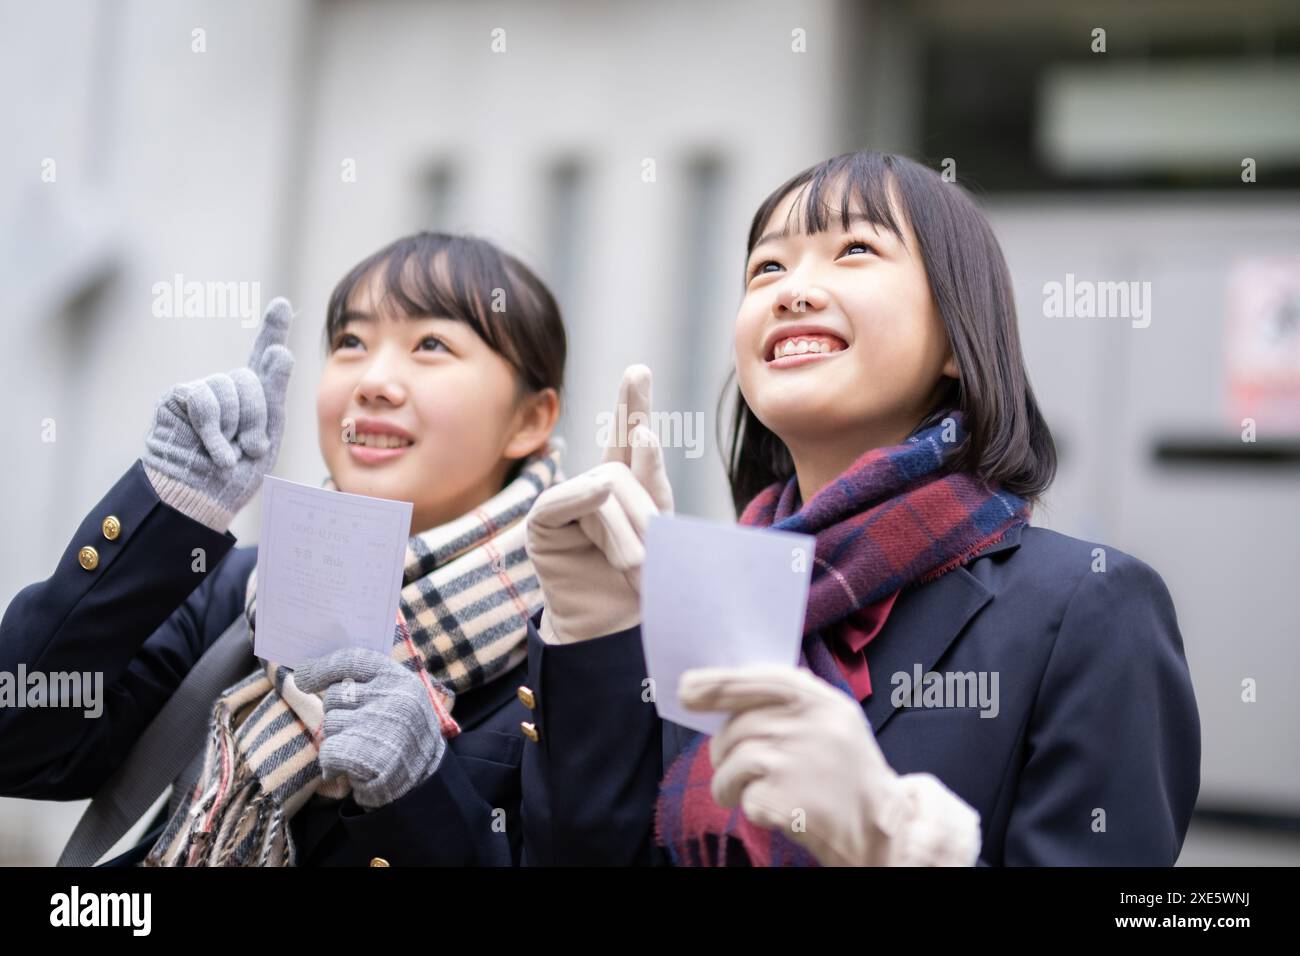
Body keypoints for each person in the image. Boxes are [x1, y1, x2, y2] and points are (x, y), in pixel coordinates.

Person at [518, 150, 1201, 866]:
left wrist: (891, 844)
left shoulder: (1091, 607)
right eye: (768, 269)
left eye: (855, 249)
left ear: (958, 342)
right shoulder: (714, 599)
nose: (792, 292)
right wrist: (595, 634)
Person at [0, 231, 564, 865]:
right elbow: (21, 738)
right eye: (351, 342)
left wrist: (420, 792)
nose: (374, 381)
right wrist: (166, 511)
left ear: (531, 419)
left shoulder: (574, 649)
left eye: (431, 345)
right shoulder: (242, 588)